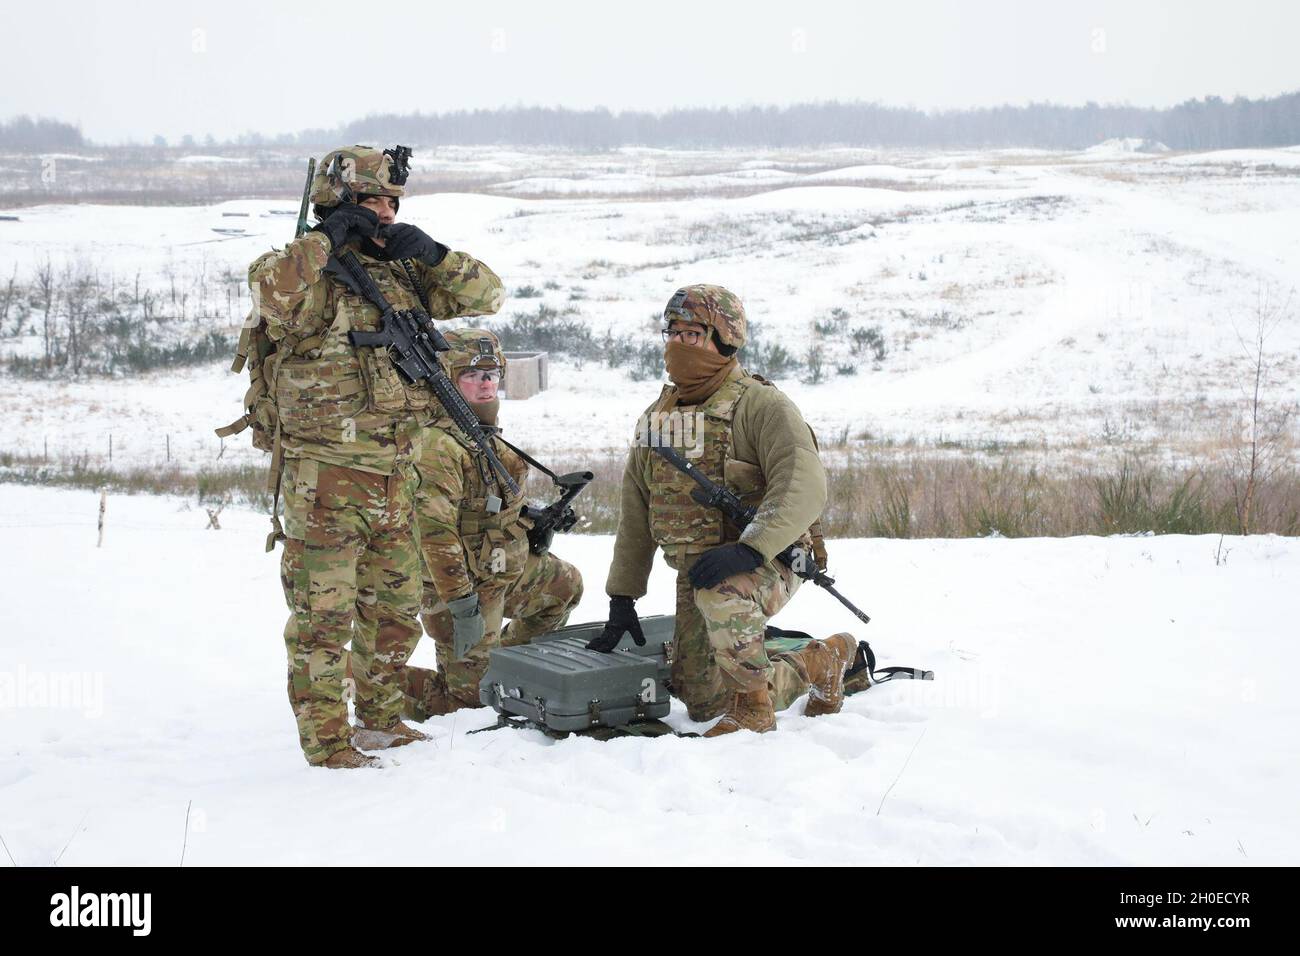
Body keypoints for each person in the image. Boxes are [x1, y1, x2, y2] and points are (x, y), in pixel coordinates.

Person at [248, 145, 503, 768]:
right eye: (374, 202)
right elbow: (269, 293)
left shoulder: (402, 272)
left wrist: (433, 252)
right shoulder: (305, 272)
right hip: (326, 483)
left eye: (393, 203)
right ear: (337, 203)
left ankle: (381, 720)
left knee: (393, 612)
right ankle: (328, 742)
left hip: (398, 475)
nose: (386, 213)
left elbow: (489, 294)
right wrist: (326, 241)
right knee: (323, 621)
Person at [590, 284, 856, 736]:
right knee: (700, 699)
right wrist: (623, 596)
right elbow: (636, 508)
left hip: (770, 557)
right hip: (699, 570)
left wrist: (752, 549)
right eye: (671, 332)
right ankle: (820, 661)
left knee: (724, 599)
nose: (677, 344)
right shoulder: (657, 417)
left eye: (692, 334)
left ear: (724, 340)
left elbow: (804, 485)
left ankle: (754, 711)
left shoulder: (761, 405)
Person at [402, 329, 584, 719]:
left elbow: (490, 507)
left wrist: (533, 519)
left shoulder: (482, 439)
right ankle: (375, 680)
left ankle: (503, 660)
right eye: (472, 374)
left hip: (500, 572)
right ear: (449, 379)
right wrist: (464, 607)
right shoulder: (437, 445)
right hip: (458, 589)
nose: (486, 383)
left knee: (564, 586)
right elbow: (434, 534)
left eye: (491, 373)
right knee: (469, 705)